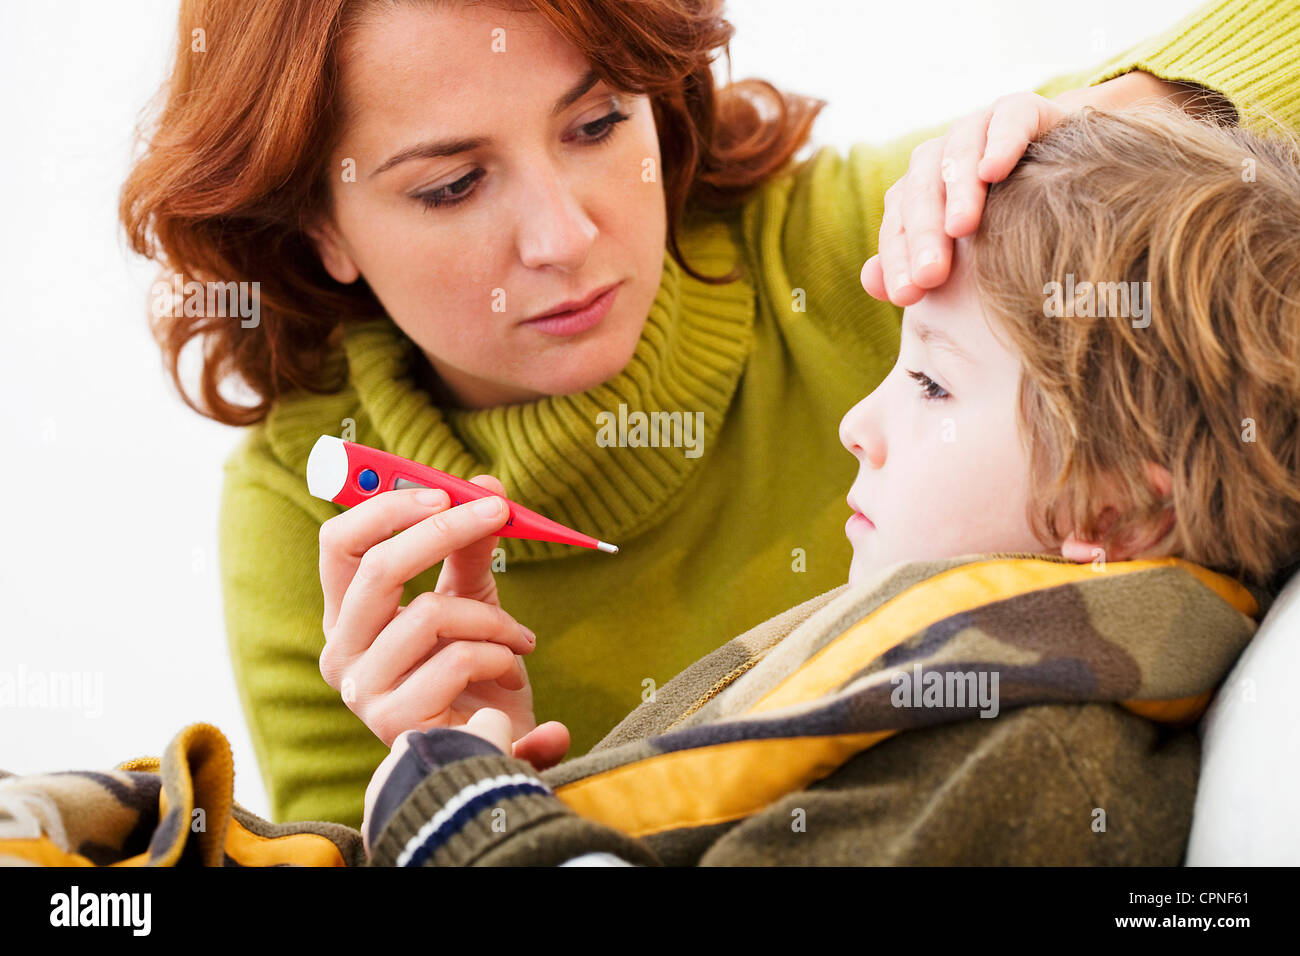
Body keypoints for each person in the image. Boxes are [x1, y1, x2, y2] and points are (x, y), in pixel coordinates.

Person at [117, 0, 1300, 828]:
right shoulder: (307, 513)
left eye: (596, 125)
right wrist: (468, 773)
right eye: (453, 183)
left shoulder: (884, 253)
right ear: (316, 225)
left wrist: (1142, 116)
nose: (566, 235)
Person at [357, 106, 1300, 865]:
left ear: (1118, 509)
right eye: (450, 184)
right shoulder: (969, 687)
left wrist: (470, 823)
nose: (857, 422)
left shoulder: (1037, 770)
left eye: (931, 380)